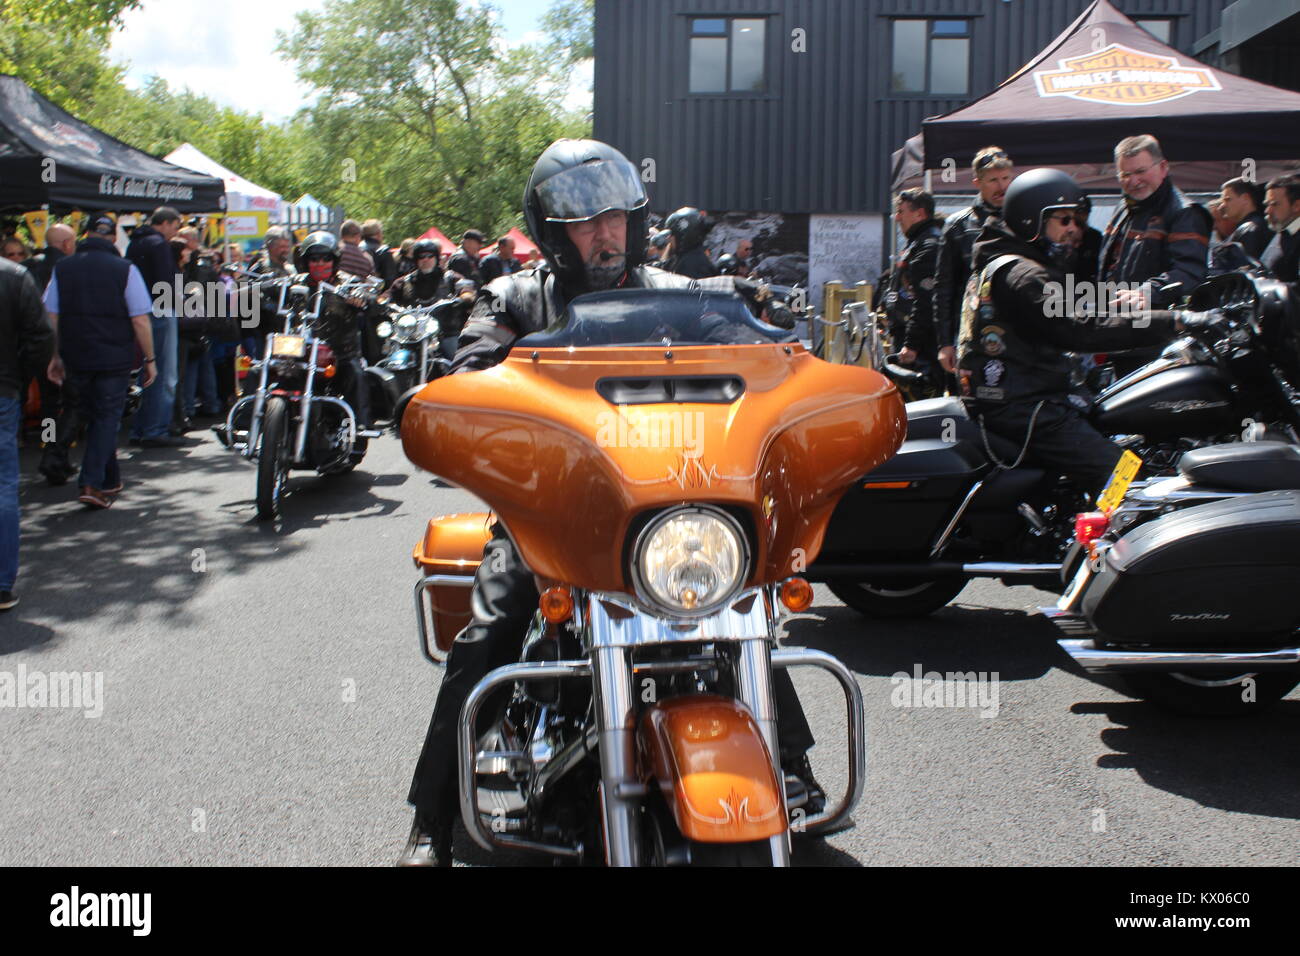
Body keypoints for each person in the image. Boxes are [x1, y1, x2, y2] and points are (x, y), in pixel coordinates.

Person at [399, 138, 808, 867]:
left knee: (745, 605)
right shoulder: (516, 297)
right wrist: (461, 389)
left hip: (661, 513)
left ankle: (793, 766)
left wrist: (790, 359)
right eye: (584, 222)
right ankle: (431, 820)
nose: (605, 234)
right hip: (547, 518)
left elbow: (752, 351)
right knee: (490, 632)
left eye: (615, 217)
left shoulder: (677, 297)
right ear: (553, 233)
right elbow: (470, 366)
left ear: (636, 220)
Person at [958, 170, 1185, 493]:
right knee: (1128, 481)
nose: (1073, 230)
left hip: (1012, 397)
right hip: (1026, 407)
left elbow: (1075, 300)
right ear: (1030, 219)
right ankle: (1113, 541)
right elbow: (1079, 329)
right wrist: (1173, 323)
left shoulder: (1008, 262)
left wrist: (1139, 301)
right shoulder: (1024, 275)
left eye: (1077, 221)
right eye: (1064, 220)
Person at [44, 214, 157, 509]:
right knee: (106, 417)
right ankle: (92, 483)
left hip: (75, 354)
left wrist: (55, 355)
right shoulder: (124, 268)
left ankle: (109, 478)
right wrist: (150, 359)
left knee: (91, 415)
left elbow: (51, 315)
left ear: (85, 235)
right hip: (113, 355)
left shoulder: (63, 267)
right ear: (110, 239)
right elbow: (140, 319)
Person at [1099, 134, 1210, 311]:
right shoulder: (1123, 207)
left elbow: (1189, 271)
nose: (1133, 181)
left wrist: (1147, 293)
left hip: (1158, 323)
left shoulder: (1185, 213)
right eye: (1125, 174)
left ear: (1163, 167)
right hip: (1118, 318)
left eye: (1140, 171)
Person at [1, 252, 54, 609]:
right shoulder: (15, 275)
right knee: (3, 485)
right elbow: (39, 337)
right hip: (3, 389)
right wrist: (18, 377)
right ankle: (2, 583)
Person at [934, 147, 1015, 375]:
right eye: (993, 180)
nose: (1001, 186)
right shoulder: (958, 225)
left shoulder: (1027, 219)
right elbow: (943, 289)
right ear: (977, 182)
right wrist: (944, 343)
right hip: (973, 334)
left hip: (1020, 335)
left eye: (1006, 178)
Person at [294, 232, 372, 430]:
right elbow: (272, 293)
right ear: (305, 261)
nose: (320, 263)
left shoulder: (348, 282)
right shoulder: (295, 284)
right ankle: (245, 426)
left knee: (356, 373)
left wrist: (360, 299)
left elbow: (369, 298)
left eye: (326, 258)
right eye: (314, 259)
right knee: (262, 368)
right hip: (301, 351)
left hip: (339, 351)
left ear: (335, 260)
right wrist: (258, 292)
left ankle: (359, 426)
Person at [126, 206, 183, 448]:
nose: (176, 232)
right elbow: (165, 282)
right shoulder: (159, 245)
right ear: (167, 223)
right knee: (163, 373)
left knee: (145, 371)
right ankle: (155, 428)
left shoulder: (134, 243)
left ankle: (141, 428)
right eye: (176, 226)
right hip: (159, 310)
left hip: (138, 311)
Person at [885, 188, 944, 370]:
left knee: (920, 396)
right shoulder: (918, 242)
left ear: (919, 214)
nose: (897, 218)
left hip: (923, 346)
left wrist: (911, 344)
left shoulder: (929, 246)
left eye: (901, 212)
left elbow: (925, 301)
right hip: (912, 337)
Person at [1261, 174, 1300, 283]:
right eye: (1267, 205)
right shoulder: (1282, 233)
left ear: (1296, 205)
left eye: (1274, 204)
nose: (1267, 211)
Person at [662, 207, 717, 279]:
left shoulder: (693, 266)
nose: (668, 238)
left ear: (682, 235)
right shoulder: (680, 258)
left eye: (672, 234)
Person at [22, 223, 76, 290]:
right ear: (66, 244)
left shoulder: (24, 266)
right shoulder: (73, 268)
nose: (75, 247)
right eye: (74, 243)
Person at [361, 219, 398, 288]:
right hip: (377, 292)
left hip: (358, 290)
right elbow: (390, 279)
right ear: (378, 233)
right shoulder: (383, 250)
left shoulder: (358, 247)